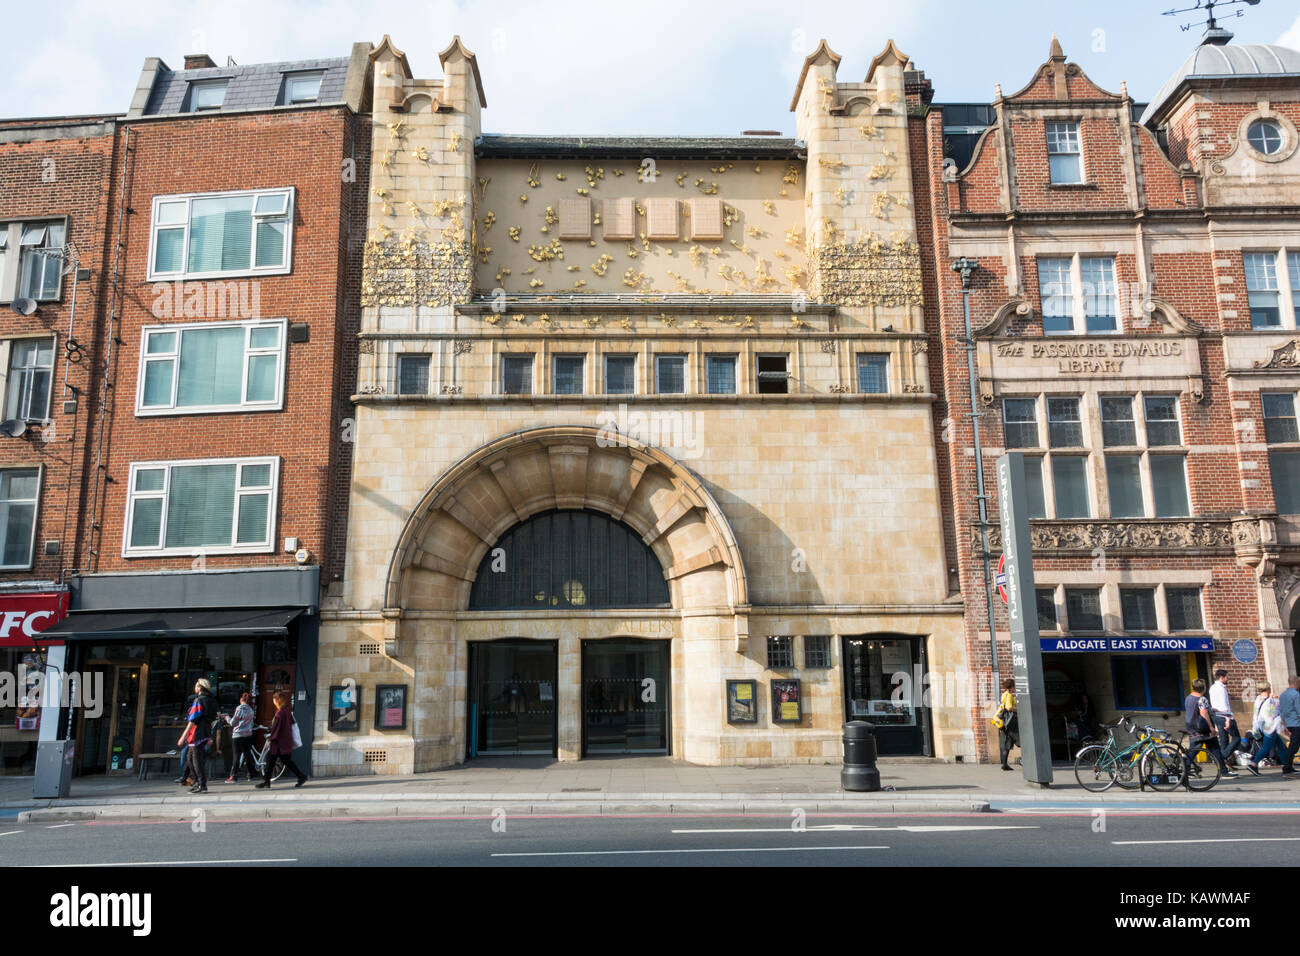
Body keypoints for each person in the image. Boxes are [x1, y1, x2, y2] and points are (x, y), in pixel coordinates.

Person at [1209, 668, 1258, 775]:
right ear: (1222, 678)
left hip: (1217, 716)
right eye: (1227, 677)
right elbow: (1223, 705)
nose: (1228, 679)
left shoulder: (1212, 687)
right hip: (1225, 717)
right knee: (1236, 739)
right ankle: (1222, 758)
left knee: (1224, 740)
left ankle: (1223, 764)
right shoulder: (1221, 689)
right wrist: (1227, 719)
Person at [256, 691, 307, 789]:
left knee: (275, 760)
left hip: (279, 743)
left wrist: (270, 740)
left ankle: (301, 776)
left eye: (274, 699)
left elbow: (277, 728)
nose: (273, 701)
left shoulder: (280, 713)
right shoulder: (287, 711)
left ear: (277, 700)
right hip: (285, 741)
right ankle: (267, 781)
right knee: (277, 761)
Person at [1185, 678, 1231, 776]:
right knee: (1215, 748)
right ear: (1203, 688)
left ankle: (1185, 766)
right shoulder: (1202, 699)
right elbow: (1204, 714)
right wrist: (1211, 727)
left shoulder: (1188, 697)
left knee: (1195, 748)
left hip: (1191, 726)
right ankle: (1223, 771)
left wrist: (1211, 709)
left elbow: (1196, 710)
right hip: (1202, 728)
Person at [178, 678, 216, 794]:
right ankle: (197, 782)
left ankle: (201, 784)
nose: (195, 687)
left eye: (196, 685)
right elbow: (213, 719)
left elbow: (193, 720)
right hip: (205, 731)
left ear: (200, 687)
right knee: (190, 757)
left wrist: (183, 736)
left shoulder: (199, 700)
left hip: (197, 733)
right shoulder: (211, 700)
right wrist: (209, 735)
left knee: (195, 760)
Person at [1249, 683, 1288, 772]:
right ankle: (1253, 764)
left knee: (1280, 745)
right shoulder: (1270, 702)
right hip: (1269, 727)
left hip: (1262, 726)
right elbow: (1274, 714)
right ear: (1267, 690)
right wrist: (1277, 700)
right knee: (1266, 747)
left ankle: (1287, 765)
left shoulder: (1258, 699)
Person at [226, 692, 257, 783]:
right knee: (247, 755)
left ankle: (234, 776)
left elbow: (233, 722)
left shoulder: (239, 709)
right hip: (248, 735)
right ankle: (250, 774)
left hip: (238, 735)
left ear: (241, 699)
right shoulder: (251, 709)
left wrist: (227, 717)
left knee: (237, 755)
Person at [997, 678, 1019, 771]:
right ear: (1012, 687)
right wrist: (1019, 709)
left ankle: (1004, 764)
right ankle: (1024, 760)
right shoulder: (1009, 695)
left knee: (1007, 743)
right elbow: (1009, 708)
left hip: (1005, 723)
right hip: (1011, 723)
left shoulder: (1004, 694)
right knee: (1021, 740)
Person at [1280, 675, 1300, 777]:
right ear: (1296, 682)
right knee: (1293, 746)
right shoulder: (1296, 695)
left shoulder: (1283, 695)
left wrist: (1284, 725)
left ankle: (1289, 767)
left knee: (1293, 745)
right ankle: (1287, 768)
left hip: (1289, 723)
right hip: (1297, 723)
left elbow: (1281, 711)